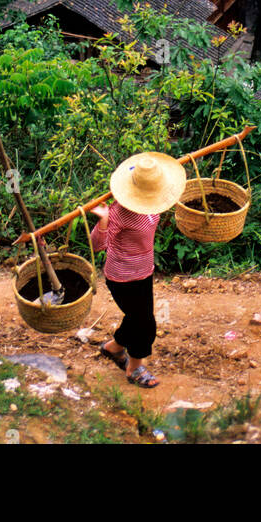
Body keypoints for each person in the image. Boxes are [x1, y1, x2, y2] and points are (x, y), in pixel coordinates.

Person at [89, 151, 186, 388]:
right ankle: (134, 368)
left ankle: (114, 347)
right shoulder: (120, 212)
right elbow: (97, 245)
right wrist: (103, 220)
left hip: (144, 271)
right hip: (122, 276)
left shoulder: (156, 199)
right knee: (144, 322)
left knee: (136, 318)